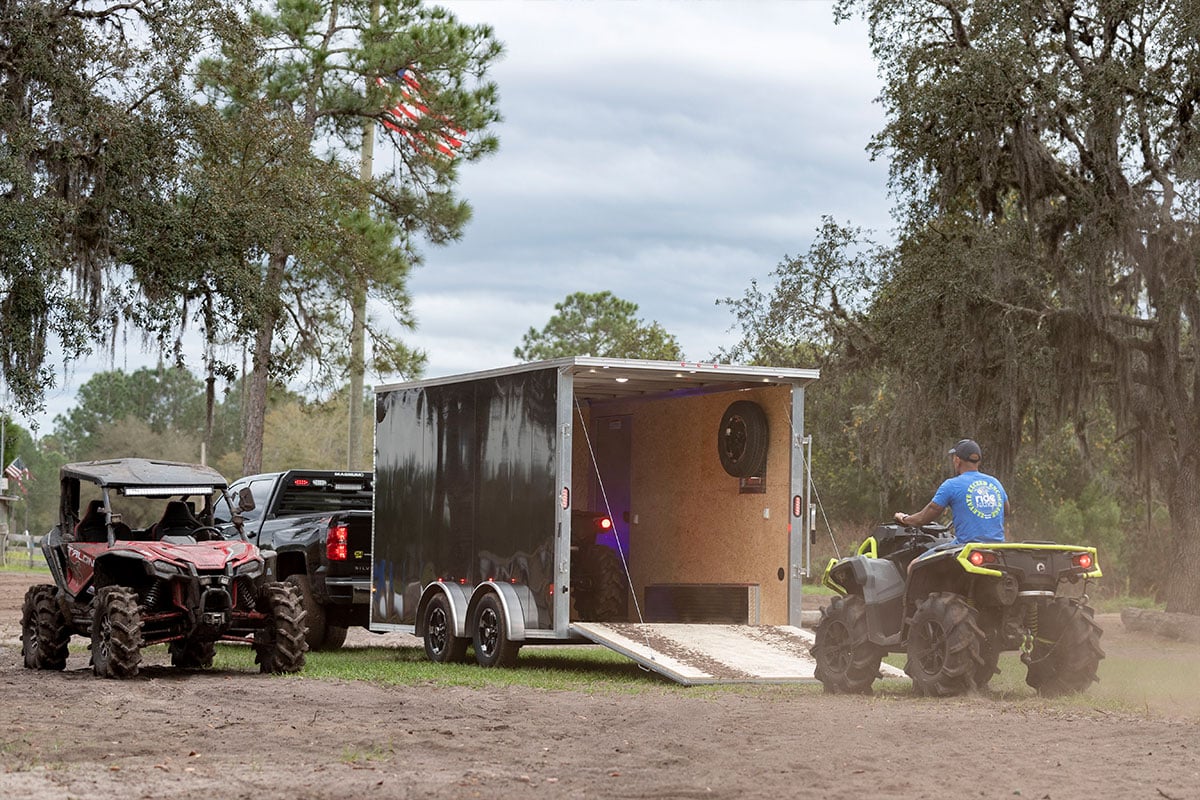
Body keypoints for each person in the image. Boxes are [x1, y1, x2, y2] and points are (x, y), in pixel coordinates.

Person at [893, 439, 1009, 546]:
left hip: (966, 548)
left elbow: (923, 518)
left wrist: (904, 519)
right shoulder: (995, 483)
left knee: (913, 565)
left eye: (954, 457)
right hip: (997, 549)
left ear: (957, 460)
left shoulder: (951, 485)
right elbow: (1006, 511)